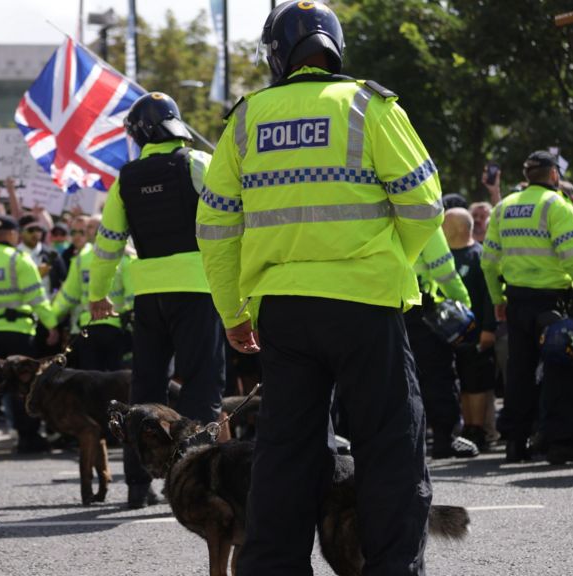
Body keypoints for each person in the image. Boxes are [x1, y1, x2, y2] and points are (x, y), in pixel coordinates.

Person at [195, 3, 438, 572]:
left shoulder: (248, 119)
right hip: (366, 305)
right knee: (389, 449)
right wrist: (384, 261)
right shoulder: (368, 104)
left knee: (286, 454)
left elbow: (215, 228)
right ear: (335, 47)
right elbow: (425, 204)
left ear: (277, 55)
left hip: (284, 314)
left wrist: (234, 313)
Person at [89, 90, 226, 510]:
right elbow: (231, 220)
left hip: (148, 296)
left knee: (145, 391)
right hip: (198, 290)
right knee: (201, 387)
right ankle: (197, 478)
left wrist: (98, 295)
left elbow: (107, 243)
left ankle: (136, 485)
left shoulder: (126, 178)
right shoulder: (199, 164)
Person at [481, 150, 573, 465]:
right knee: (562, 370)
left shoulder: (504, 207)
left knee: (519, 373)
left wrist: (498, 299)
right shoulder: (557, 205)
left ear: (527, 176)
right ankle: (563, 443)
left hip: (517, 302)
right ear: (554, 176)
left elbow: (488, 261)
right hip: (554, 302)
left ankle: (516, 443)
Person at [0, 215, 58, 454]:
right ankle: (27, 438)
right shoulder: (20, 260)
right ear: (12, 235)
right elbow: (37, 297)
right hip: (19, 335)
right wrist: (52, 325)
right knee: (23, 388)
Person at [407, 229, 478, 458]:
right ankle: (443, 439)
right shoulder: (424, 218)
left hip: (384, 309)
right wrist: (463, 303)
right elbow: (444, 272)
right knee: (437, 377)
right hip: (422, 313)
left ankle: (402, 444)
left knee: (397, 379)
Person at [443, 207, 498, 451]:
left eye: (445, 224)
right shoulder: (442, 257)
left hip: (476, 332)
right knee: (462, 384)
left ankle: (477, 430)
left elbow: (490, 296)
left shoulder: (479, 255)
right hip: (449, 336)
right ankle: (466, 428)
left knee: (476, 383)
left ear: (460, 228)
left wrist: (489, 329)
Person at [53, 216, 132, 370]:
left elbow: (68, 297)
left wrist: (50, 320)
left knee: (90, 381)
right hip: (115, 329)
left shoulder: (81, 259)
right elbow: (133, 297)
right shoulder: (125, 257)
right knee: (114, 380)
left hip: (88, 328)